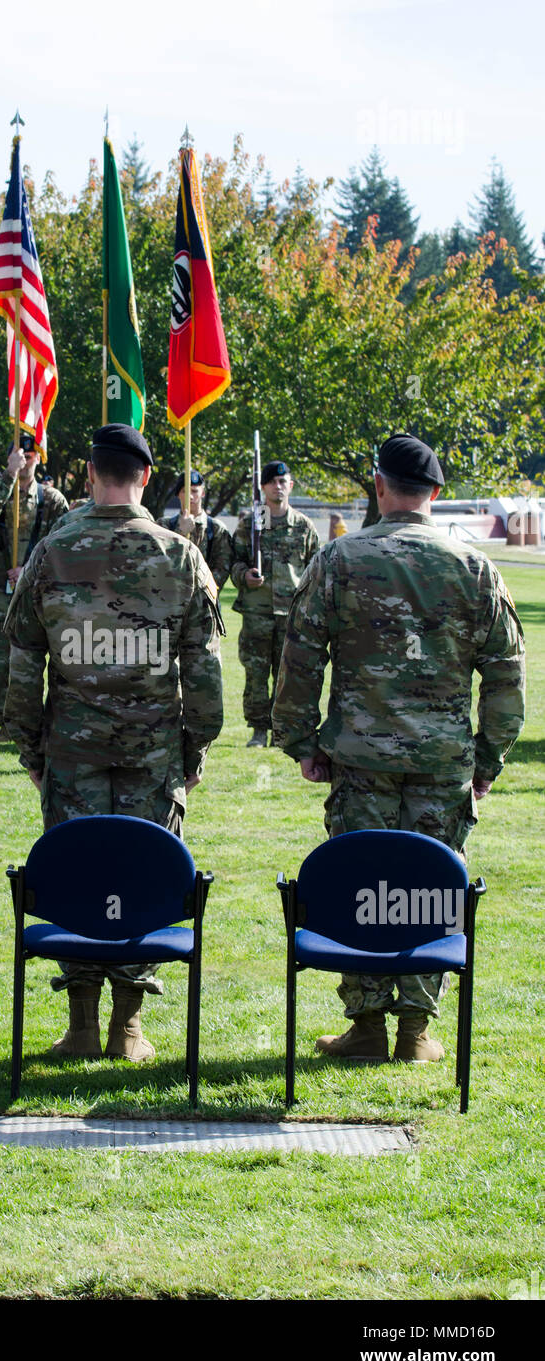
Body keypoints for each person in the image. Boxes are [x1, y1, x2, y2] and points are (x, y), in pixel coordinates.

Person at [272, 433, 525, 1063]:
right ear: (435, 495)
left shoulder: (339, 559)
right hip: (442, 763)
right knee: (430, 885)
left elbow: (300, 658)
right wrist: (487, 760)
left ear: (380, 487)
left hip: (360, 760)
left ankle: (368, 1025)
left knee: (364, 881)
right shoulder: (474, 568)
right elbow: (505, 676)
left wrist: (302, 741)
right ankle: (415, 1027)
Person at [3, 423, 224, 1063]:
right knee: (142, 873)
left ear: (90, 474)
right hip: (153, 753)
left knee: (75, 871)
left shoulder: (52, 550)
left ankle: (80, 1025)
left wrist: (30, 747)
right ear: (146, 477)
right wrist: (195, 749)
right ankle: (126, 1025)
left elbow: (21, 659)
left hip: (71, 750)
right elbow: (204, 671)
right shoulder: (179, 555)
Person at [0, 432, 69, 740]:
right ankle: (5, 722)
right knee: (1, 657)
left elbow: (63, 543)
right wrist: (10, 476)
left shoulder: (52, 500)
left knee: (37, 654)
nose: (25, 459)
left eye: (30, 454)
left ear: (39, 457)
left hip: (37, 588)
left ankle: (36, 721)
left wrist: (29, 568)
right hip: (0, 589)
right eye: (18, 455)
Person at [231, 460, 319, 747]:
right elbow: (234, 562)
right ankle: (259, 730)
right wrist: (244, 575)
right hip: (257, 612)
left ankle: (282, 731)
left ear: (290, 486)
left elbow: (315, 569)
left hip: (291, 613)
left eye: (283, 482)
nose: (278, 487)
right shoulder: (252, 523)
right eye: (272, 482)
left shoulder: (304, 527)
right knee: (256, 673)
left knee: (287, 675)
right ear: (263, 486)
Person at [158, 468, 233, 593]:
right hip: (172, 598)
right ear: (177, 494)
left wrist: (199, 588)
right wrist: (180, 533)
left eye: (194, 491)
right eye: (184, 491)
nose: (190, 496)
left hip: (204, 601)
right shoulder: (163, 526)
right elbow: (160, 563)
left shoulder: (216, 528)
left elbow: (222, 568)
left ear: (203, 493)